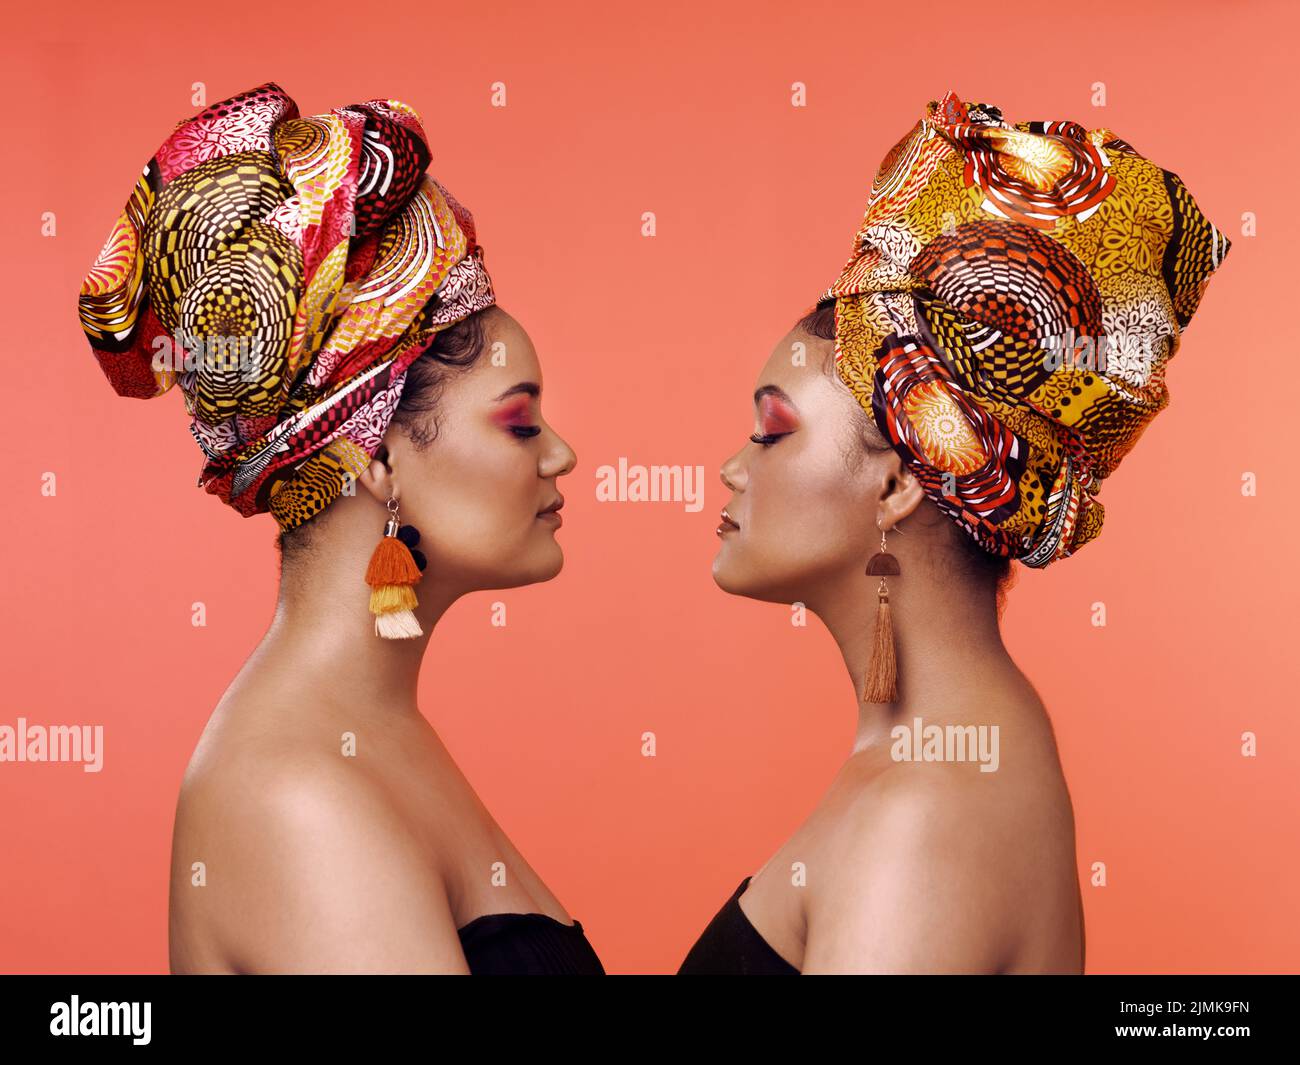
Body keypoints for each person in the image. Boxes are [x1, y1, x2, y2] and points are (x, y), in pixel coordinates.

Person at [678, 90, 1231, 975]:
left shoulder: (921, 816)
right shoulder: (976, 746)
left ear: (901, 477)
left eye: (772, 429)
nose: (734, 468)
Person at [79, 82, 601, 975]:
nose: (564, 455)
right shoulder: (293, 793)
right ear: (378, 459)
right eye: (519, 420)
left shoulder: (369, 729)